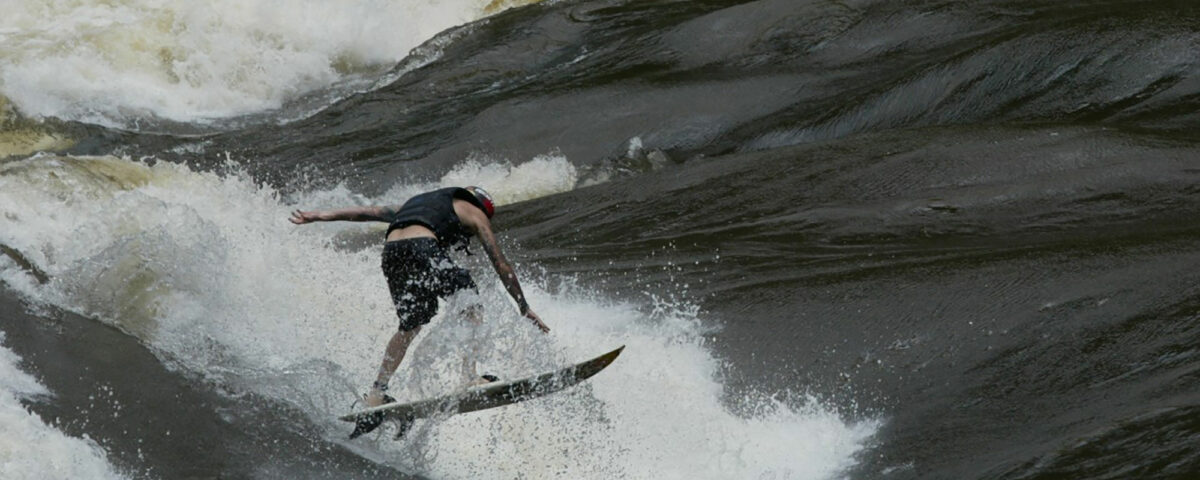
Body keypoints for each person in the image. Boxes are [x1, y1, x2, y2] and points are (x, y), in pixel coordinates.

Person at [289, 186, 549, 435]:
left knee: (410, 325)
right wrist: (523, 306)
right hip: (422, 247)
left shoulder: (418, 205)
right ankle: (469, 377)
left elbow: (367, 212)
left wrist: (320, 216)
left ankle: (377, 394)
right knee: (471, 303)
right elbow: (500, 263)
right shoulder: (475, 211)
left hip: (392, 253)